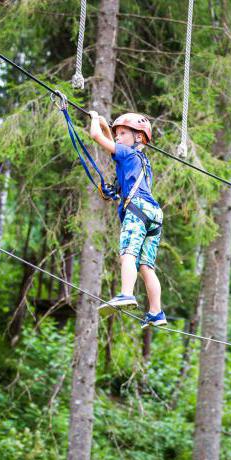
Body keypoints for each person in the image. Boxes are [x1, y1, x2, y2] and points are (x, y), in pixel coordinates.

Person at [88, 110, 166, 328]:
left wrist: (95, 118)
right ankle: (156, 312)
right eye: (117, 134)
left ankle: (126, 294)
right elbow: (109, 138)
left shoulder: (127, 154)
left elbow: (96, 137)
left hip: (137, 210)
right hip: (154, 214)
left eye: (123, 134)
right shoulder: (141, 160)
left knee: (128, 254)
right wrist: (107, 124)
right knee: (146, 267)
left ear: (138, 137)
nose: (118, 138)